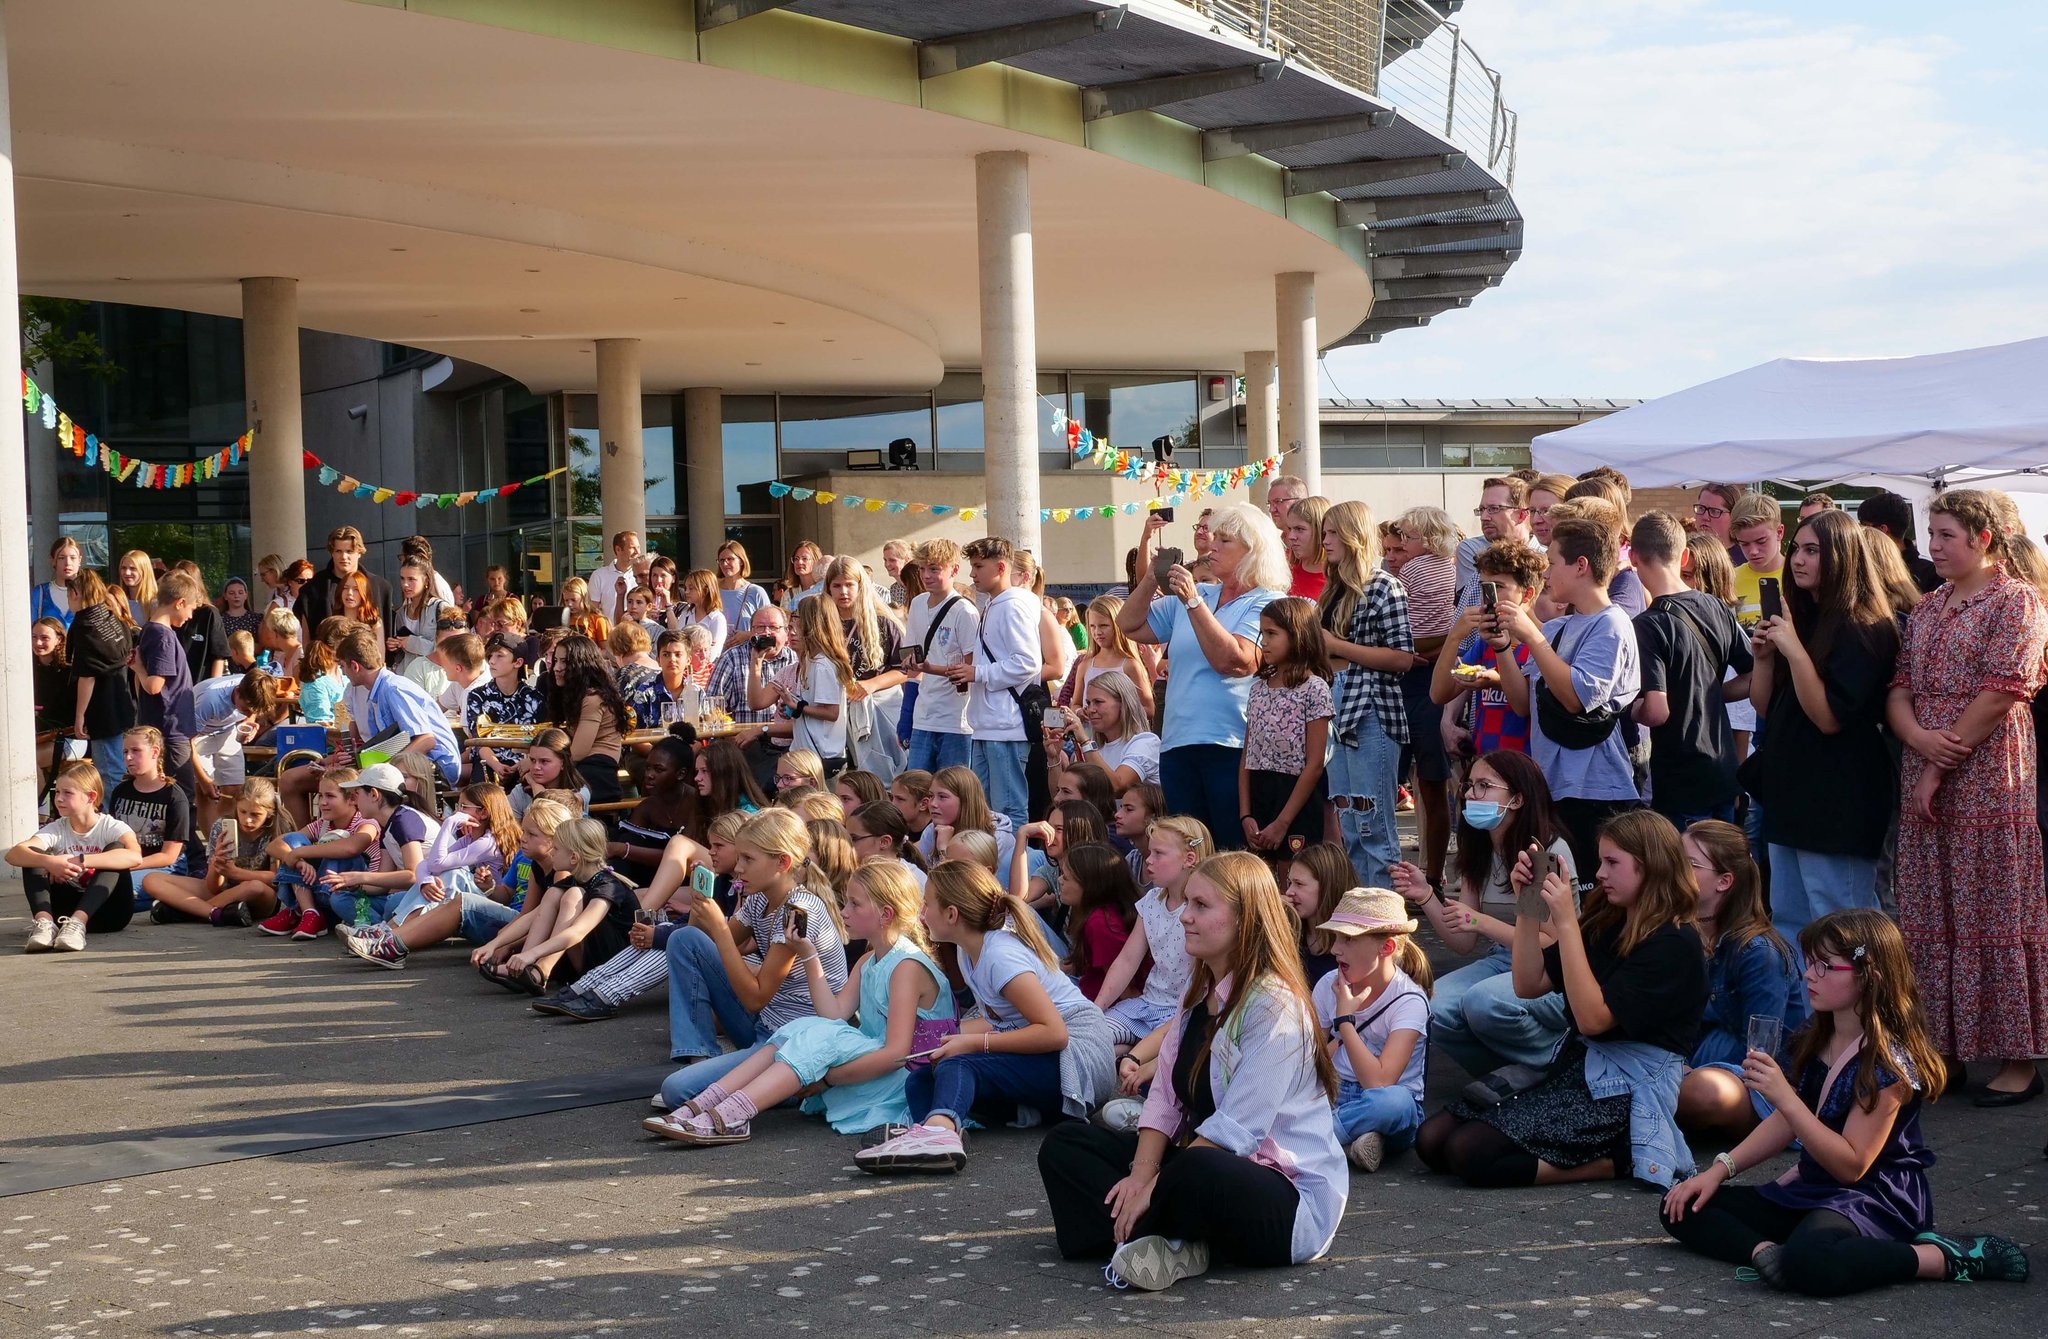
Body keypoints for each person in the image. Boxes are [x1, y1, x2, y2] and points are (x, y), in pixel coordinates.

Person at [1662, 909, 2030, 1294]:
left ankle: (1938, 1258)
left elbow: (1851, 1166)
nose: (1808, 975)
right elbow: (1786, 1122)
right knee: (1681, 1204)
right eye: (1809, 964)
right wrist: (1717, 1171)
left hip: (1875, 1196)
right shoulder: (1815, 1034)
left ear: (1869, 978)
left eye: (1825, 967)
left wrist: (1784, 1097)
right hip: (1815, 1188)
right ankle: (1766, 1253)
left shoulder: (1889, 1063)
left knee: (1813, 1263)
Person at [1038, 851, 1345, 1290]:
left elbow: (1236, 1132)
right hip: (1206, 1165)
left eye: (1201, 906)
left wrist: (1154, 1187)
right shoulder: (1197, 991)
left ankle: (1155, 1232)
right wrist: (1142, 1175)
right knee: (1066, 1144)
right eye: (1188, 903)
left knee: (1196, 1170)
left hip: (1283, 1194)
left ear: (1245, 919)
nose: (1184, 916)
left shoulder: (1275, 1006)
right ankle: (1164, 1238)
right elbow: (1163, 1094)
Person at [1417, 810, 1708, 1191]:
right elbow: (1528, 983)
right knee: (1432, 1141)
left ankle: (1616, 1160)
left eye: (1612, 862)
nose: (1599, 873)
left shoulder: (1675, 942)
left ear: (1650, 866)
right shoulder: (1611, 919)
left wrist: (1567, 923)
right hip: (1578, 1066)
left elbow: (1592, 1020)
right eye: (1601, 860)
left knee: (1471, 1153)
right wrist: (1528, 908)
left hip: (1630, 1084)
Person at [1888, 489, 2048, 1105]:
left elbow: (2005, 689)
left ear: (1984, 539)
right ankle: (1942, 1049)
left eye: (1946, 535)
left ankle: (2017, 1060)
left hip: (1986, 771)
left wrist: (1937, 759)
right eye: (1932, 535)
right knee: (1932, 914)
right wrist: (1919, 741)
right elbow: (1898, 688)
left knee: (1995, 908)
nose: (1933, 547)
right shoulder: (1928, 606)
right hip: (1928, 760)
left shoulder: (2018, 602)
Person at [646, 860, 955, 1144]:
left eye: (855, 904)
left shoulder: (906, 966)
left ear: (885, 914)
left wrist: (829, 1078)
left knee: (818, 1033)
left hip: (903, 1078)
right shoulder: (868, 961)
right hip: (877, 1062)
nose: (844, 911)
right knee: (805, 1026)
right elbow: (833, 1013)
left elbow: (896, 1054)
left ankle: (731, 1115)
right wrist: (808, 953)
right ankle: (705, 1106)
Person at [858, 860, 1116, 1175]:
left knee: (959, 1064)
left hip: (1080, 1059)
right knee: (922, 1079)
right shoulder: (969, 952)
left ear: (952, 914)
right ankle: (946, 1130)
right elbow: (1006, 1025)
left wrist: (974, 1043)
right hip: (1053, 1062)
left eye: (928, 904)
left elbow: (1055, 1033)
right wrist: (960, 1040)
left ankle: (938, 1133)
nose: (922, 913)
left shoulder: (1000, 956)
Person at [1748, 510, 1900, 941]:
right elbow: (1767, 708)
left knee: (1840, 924)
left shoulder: (1865, 628)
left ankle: (1863, 1010)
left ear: (1842, 557)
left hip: (1838, 799)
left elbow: (1828, 718)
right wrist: (1764, 658)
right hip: (1790, 791)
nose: (1798, 560)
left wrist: (1794, 652)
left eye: (1813, 551)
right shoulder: (1803, 618)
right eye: (1797, 548)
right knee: (1791, 922)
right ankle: (1806, 1011)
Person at [1398, 749, 1576, 1079]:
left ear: (1518, 800)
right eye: (1469, 785)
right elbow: (1463, 941)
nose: (1469, 794)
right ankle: (1504, 1075)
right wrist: (1426, 895)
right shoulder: (1480, 847)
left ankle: (1557, 1062)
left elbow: (1549, 941)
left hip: (1551, 970)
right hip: (1500, 961)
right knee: (1427, 1008)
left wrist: (1480, 921)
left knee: (1483, 1003)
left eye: (1483, 786)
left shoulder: (1542, 853)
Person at [657, 808, 849, 1107]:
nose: (738, 868)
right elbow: (703, 951)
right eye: (740, 857)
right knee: (684, 938)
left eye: (749, 859)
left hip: (792, 1045)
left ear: (782, 862)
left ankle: (781, 1088)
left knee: (676, 1091)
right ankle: (699, 1057)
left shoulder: (797, 912)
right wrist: (699, 906)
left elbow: (755, 997)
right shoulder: (761, 897)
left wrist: (719, 927)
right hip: (765, 1026)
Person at [1121, 504, 1286, 848]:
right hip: (1178, 742)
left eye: (1225, 540)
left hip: (1231, 744)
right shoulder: (1198, 594)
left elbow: (1236, 661)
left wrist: (1194, 604)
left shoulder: (1267, 602)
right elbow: (1129, 624)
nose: (1212, 545)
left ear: (1252, 550)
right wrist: (1152, 576)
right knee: (1187, 848)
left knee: (1229, 847)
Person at [1494, 516, 1643, 870]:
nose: (1545, 575)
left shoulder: (1612, 623)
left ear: (1581, 566)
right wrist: (1502, 648)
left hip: (1595, 792)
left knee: (1592, 901)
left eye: (1552, 563)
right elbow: (1522, 704)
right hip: (1550, 787)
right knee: (1542, 891)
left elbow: (1575, 698)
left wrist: (1532, 636)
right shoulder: (1560, 627)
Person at [1677, 819, 1807, 1137]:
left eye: (1689, 864)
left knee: (1702, 1094)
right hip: (1687, 1065)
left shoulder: (1758, 951)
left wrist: (1683, 1074)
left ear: (1724, 881)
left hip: (1752, 1084)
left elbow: (1761, 1054)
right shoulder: (1681, 935)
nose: (1674, 870)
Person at [1630, 511, 1753, 826]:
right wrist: (1711, 693)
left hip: (1681, 776)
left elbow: (1657, 711)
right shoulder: (1716, 605)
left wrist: (1631, 708)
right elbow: (1754, 674)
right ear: (1684, 556)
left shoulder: (1648, 624)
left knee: (1687, 873)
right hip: (1724, 768)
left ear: (1633, 557)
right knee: (1723, 870)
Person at [1318, 500, 1414, 886]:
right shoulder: (1334, 587)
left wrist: (1337, 647)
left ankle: (1386, 923)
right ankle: (1364, 918)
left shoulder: (1383, 586)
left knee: (1373, 823)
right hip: (1335, 702)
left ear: (1352, 536)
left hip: (1370, 707)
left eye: (1331, 533)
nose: (1325, 541)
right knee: (1350, 824)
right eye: (1323, 533)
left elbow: (1403, 657)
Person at [1313, 886, 1434, 1173]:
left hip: (1386, 1100)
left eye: (1348, 939)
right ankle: (1361, 1137)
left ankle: (1317, 1137)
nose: (1335, 949)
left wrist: (1345, 1021)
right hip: (1338, 1091)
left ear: (1387, 947)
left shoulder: (1409, 1001)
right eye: (1335, 937)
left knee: (1394, 1105)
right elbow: (1312, 1058)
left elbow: (1379, 1083)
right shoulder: (1328, 985)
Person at [935, 538, 1039, 831]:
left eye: (979, 566)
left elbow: (1027, 662)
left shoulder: (1012, 605)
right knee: (987, 811)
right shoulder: (995, 604)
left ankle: (1011, 871)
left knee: (1008, 810)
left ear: (1001, 567)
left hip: (1005, 725)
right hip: (989, 722)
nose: (973, 574)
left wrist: (977, 673)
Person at [1092, 815, 1209, 1048]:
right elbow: (1127, 960)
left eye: (1159, 853)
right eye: (1150, 852)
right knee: (1092, 1038)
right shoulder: (1151, 901)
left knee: (1151, 1054)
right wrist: (1097, 1009)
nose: (1149, 860)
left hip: (1181, 1013)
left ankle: (1129, 1056)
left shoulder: (1202, 911)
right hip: (1145, 1005)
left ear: (1189, 858)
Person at [9, 760, 142, 950]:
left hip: (110, 914)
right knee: (33, 854)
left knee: (116, 850)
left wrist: (79, 860)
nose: (59, 798)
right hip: (63, 913)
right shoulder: (56, 828)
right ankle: (45, 925)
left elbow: (135, 856)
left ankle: (78, 923)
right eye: (57, 792)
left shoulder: (112, 827)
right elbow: (14, 854)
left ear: (90, 797)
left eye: (67, 793)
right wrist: (50, 861)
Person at [1433, 538, 1546, 762]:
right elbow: (1439, 694)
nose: (1489, 597)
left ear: (1527, 594)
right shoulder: (1484, 643)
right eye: (1484, 587)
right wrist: (1454, 637)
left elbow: (1523, 706)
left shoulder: (1543, 644)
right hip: (1487, 762)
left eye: (1498, 588)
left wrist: (1496, 679)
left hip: (1528, 764)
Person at [1393, 508, 1459, 883]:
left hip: (1414, 675)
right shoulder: (1451, 568)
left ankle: (1419, 875)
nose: (1403, 545)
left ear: (1430, 538)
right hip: (1432, 674)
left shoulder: (1417, 569)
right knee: (1433, 785)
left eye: (1408, 537)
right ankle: (1434, 875)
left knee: (1404, 785)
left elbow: (1408, 623)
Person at [1238, 596, 1333, 858]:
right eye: (1262, 634)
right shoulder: (1257, 689)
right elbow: (1248, 755)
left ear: (1298, 636)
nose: (1264, 642)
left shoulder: (1313, 689)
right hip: (1260, 793)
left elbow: (1314, 764)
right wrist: (1245, 814)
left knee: (1293, 880)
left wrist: (1282, 822)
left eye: (1272, 633)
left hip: (1295, 800)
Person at [259, 767, 377, 939]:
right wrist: (297, 860)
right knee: (293, 839)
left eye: (330, 796)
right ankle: (307, 911)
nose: (322, 802)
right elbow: (274, 845)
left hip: (354, 893)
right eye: (320, 796)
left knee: (333, 846)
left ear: (352, 798)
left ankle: (300, 911)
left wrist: (301, 852)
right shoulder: (323, 824)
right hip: (325, 889)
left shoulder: (365, 821)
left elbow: (352, 847)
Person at [823, 555, 908, 779]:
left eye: (849, 585)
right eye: (837, 585)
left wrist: (871, 684)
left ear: (861, 586)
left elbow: (905, 669)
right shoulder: (823, 624)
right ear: (828, 588)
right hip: (837, 708)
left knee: (884, 775)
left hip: (879, 706)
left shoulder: (884, 622)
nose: (843, 592)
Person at [65, 570, 138, 792]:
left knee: (108, 771)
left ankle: (113, 820)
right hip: (124, 703)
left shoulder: (85, 626)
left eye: (69, 595)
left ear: (76, 593)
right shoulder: (111, 616)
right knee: (119, 767)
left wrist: (79, 716)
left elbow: (87, 676)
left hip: (103, 711)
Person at [109, 726, 191, 923]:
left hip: (165, 868)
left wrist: (127, 866)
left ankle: (174, 899)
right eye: (125, 752)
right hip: (127, 863)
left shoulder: (174, 796)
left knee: (117, 892)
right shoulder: (120, 791)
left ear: (155, 752)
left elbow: (169, 855)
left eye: (135, 751)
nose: (128, 757)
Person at [134, 569, 203, 794]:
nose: (191, 616)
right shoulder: (162, 636)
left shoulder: (152, 631)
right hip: (169, 728)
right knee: (182, 794)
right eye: (191, 608)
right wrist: (139, 669)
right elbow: (154, 685)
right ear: (180, 603)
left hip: (167, 726)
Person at [543, 634, 631, 805]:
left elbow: (578, 752)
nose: (557, 668)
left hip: (595, 776)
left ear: (582, 665)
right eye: (556, 661)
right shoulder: (578, 695)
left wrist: (538, 766)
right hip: (584, 772)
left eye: (565, 662)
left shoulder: (592, 698)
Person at [1056, 595, 1155, 728]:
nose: (1097, 632)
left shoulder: (1130, 665)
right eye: (1092, 626)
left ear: (1118, 626)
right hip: (1091, 739)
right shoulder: (1085, 665)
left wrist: (1116, 714)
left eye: (1104, 626)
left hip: (1124, 738)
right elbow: (1076, 703)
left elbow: (1149, 709)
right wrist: (1080, 712)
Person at [1056, 669, 1160, 794]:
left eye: (1098, 702)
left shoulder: (1146, 742)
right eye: (1088, 703)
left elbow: (1117, 787)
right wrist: (1054, 757)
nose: (1090, 710)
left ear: (1123, 703)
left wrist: (1085, 742)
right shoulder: (1094, 748)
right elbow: (1060, 799)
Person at [294, 525, 394, 635]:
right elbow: (307, 637)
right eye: (338, 551)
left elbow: (387, 634)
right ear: (332, 552)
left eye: (349, 551)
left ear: (359, 552)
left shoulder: (380, 587)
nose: (344, 556)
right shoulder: (313, 589)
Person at [1457, 476, 1539, 607]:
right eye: (1482, 510)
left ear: (1522, 514)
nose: (1484, 517)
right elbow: (1475, 614)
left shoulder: (1548, 557)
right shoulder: (1473, 552)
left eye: (1494, 509)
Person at [1858, 491, 1942, 595]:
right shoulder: (1863, 568)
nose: (1860, 533)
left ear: (1882, 529)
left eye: (1863, 527)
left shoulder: (1933, 575)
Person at [389, 556, 445, 674]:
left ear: (426, 581)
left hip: (433, 679)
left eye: (411, 579)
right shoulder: (400, 614)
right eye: (402, 579)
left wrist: (412, 642)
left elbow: (447, 650)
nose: (405, 584)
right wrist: (394, 645)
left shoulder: (440, 608)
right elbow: (399, 657)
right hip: (407, 678)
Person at [714, 541, 770, 646]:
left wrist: (748, 635)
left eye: (730, 559)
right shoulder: (712, 591)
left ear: (741, 561)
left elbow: (771, 632)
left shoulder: (756, 592)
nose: (725, 564)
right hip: (717, 657)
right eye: (721, 560)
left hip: (746, 657)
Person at [586, 529, 642, 625]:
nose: (638, 552)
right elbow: (592, 611)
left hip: (639, 633)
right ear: (618, 549)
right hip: (609, 635)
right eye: (632, 548)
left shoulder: (642, 575)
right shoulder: (599, 575)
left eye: (638, 547)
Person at [1282, 496, 1329, 600]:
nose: (1291, 536)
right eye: (1290, 529)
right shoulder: (1282, 569)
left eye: (1299, 529)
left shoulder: (1339, 579)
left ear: (1320, 530)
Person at [30, 535, 83, 628]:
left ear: (79, 560)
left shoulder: (90, 592)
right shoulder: (40, 593)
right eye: (61, 558)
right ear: (53, 560)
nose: (68, 563)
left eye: (73, 557)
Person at [1695, 482, 1747, 561]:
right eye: (1701, 508)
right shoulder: (1685, 554)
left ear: (1733, 515)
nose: (1705, 517)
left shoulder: (1747, 557)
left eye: (1714, 511)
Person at [115, 549, 156, 626]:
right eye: (123, 568)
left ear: (144, 571)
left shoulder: (155, 603)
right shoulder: (117, 601)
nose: (127, 572)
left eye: (133, 568)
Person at [782, 540, 825, 612]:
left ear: (816, 560)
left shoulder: (825, 589)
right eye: (796, 559)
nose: (799, 562)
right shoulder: (789, 594)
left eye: (804, 558)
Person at [216, 576, 262, 641]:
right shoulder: (219, 620)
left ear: (246, 595)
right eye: (232, 593)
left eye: (240, 593)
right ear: (225, 596)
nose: (236, 596)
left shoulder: (256, 619)